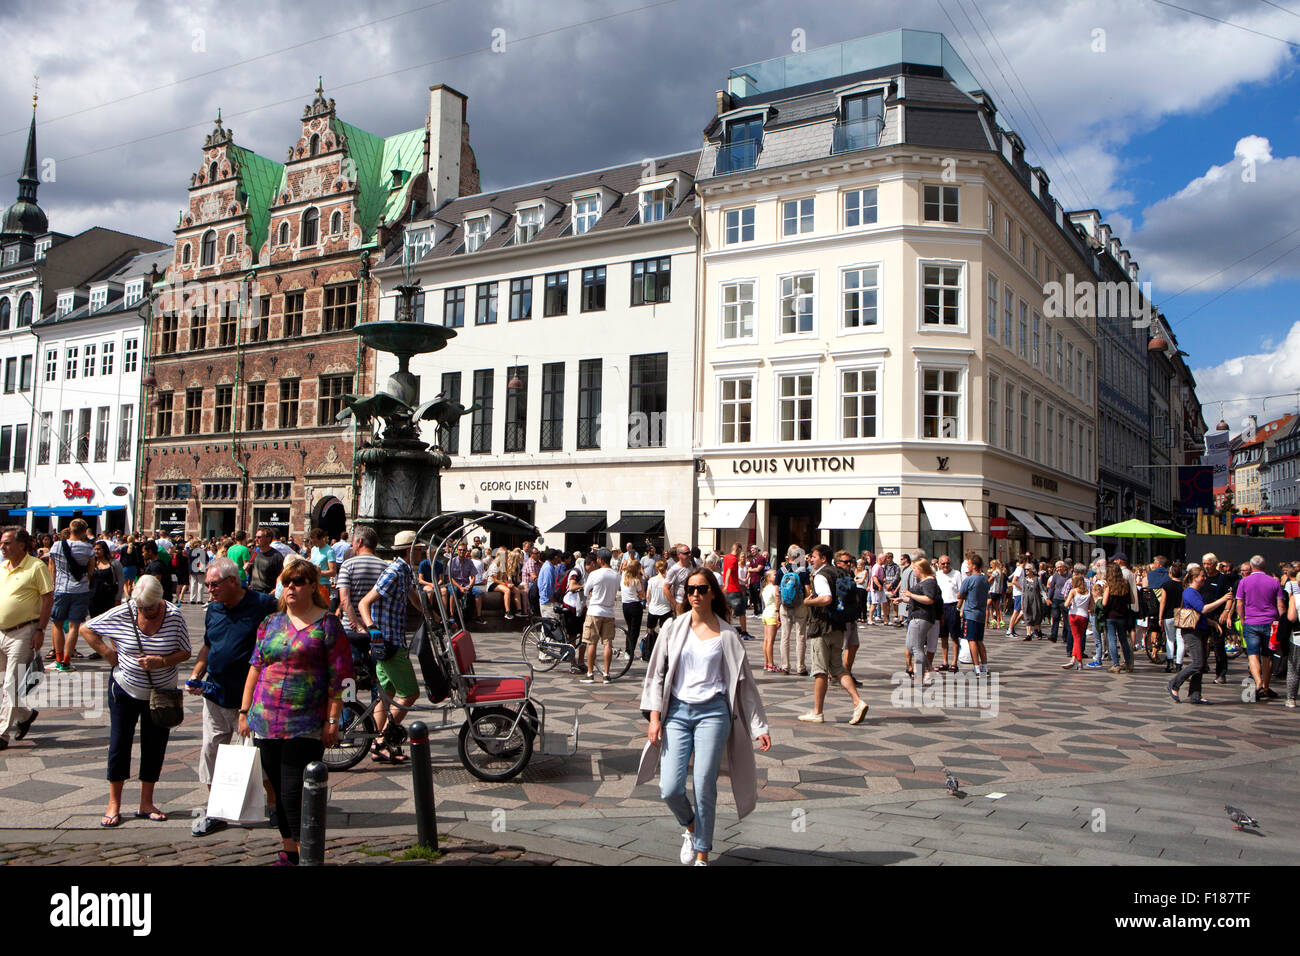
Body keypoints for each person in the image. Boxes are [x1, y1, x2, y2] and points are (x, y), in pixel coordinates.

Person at [638, 567, 770, 866]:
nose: (695, 594)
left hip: (713, 712)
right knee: (669, 788)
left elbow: (745, 683)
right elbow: (656, 675)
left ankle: (702, 855)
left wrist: (759, 725)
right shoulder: (673, 627)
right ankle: (691, 826)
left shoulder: (728, 634)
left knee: (704, 784)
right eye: (690, 589)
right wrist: (655, 718)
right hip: (678, 712)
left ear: (713, 593)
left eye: (701, 589)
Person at [238, 562, 350, 865]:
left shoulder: (327, 624)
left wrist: (333, 719)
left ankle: (307, 852)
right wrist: (244, 710)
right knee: (275, 789)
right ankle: (289, 849)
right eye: (287, 581)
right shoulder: (270, 622)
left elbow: (341, 678)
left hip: (305, 722)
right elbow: (255, 668)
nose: (291, 587)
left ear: (313, 586)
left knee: (293, 791)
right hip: (265, 718)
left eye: (298, 582)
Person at [80, 576, 192, 827]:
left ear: (161, 599)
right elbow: (86, 628)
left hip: (160, 693)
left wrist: (161, 661)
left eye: (151, 609)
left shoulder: (174, 616)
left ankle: (146, 802)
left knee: (154, 746)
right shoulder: (123, 612)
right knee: (119, 744)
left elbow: (185, 651)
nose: (146, 613)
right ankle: (114, 804)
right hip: (124, 688)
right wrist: (109, 653)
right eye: (142, 608)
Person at [188, 557, 279, 836]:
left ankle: (275, 806)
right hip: (216, 693)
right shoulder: (213, 610)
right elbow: (208, 645)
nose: (209, 589)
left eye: (214, 584)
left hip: (251, 696)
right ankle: (216, 810)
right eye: (207, 584)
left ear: (232, 582)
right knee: (211, 751)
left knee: (258, 756)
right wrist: (196, 674)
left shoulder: (263, 604)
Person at [357, 531, 424, 763]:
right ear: (408, 550)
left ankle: (377, 743)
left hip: (391, 641)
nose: (422, 552)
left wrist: (429, 613)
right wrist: (372, 629)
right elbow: (365, 602)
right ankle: (383, 740)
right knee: (410, 693)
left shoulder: (404, 571)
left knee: (386, 695)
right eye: (418, 548)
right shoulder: (394, 571)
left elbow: (412, 595)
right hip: (388, 643)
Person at [799, 544, 869, 725]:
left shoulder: (822, 575)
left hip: (822, 628)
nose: (811, 559)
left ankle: (817, 712)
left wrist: (808, 601)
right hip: (838, 626)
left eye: (813, 556)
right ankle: (857, 701)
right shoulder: (839, 573)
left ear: (823, 558)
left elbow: (826, 598)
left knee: (820, 670)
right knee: (838, 668)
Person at [0, 527, 53, 750]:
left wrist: (40, 630)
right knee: (4, 683)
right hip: (1, 631)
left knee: (11, 682)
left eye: (7, 543)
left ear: (22, 545)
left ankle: (2, 733)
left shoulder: (36, 567)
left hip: (24, 632)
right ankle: (25, 715)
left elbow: (48, 598)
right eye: (2, 543)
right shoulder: (3, 567)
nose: (3, 547)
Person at [1168, 564, 1229, 705]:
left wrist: (1212, 623)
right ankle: (1174, 683)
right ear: (1195, 578)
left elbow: (1197, 615)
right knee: (1198, 662)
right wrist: (1223, 599)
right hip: (1191, 632)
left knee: (1200, 664)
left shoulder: (1196, 592)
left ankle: (1195, 694)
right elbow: (1202, 609)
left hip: (1199, 629)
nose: (1205, 578)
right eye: (1202, 576)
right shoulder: (1190, 592)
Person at [48, 518, 95, 672]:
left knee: (57, 623)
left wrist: (52, 586)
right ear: (84, 532)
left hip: (61, 588)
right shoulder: (88, 548)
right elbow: (90, 570)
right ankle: (67, 661)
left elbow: (52, 567)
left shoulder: (57, 545)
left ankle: (58, 658)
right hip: (80, 590)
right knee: (74, 626)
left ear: (70, 528)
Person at [1236, 555, 1285, 702]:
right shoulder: (1274, 582)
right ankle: (1265, 685)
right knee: (1267, 655)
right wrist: (1282, 623)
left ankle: (1258, 683)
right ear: (1265, 566)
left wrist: (1243, 619)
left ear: (1251, 567)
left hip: (1251, 622)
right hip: (1270, 622)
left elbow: (1239, 604)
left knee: (1252, 654)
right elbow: (1281, 605)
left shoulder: (1244, 582)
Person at [580, 549, 620, 683]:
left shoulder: (595, 574)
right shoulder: (616, 575)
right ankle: (606, 674)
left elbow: (586, 591)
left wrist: (593, 592)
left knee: (592, 642)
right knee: (608, 643)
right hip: (609, 611)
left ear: (601, 560)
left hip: (595, 610)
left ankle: (590, 673)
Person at [902, 558, 941, 686]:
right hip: (916, 616)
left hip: (921, 617)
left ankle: (921, 675)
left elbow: (929, 599)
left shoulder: (929, 581)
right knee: (910, 646)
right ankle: (929, 669)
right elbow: (920, 599)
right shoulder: (925, 581)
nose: (913, 572)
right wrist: (904, 599)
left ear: (920, 569)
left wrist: (911, 595)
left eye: (914, 569)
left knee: (916, 647)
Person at [777, 547, 809, 676]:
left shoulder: (781, 571)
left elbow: (776, 592)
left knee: (785, 636)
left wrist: (776, 608)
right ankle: (800, 667)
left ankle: (785, 666)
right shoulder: (803, 572)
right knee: (800, 636)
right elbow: (807, 591)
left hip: (784, 606)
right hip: (800, 605)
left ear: (788, 556)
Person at [957, 554, 990, 675]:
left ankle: (976, 667)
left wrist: (966, 596)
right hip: (981, 613)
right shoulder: (984, 579)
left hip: (970, 613)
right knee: (979, 640)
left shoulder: (969, 579)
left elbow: (959, 595)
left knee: (971, 640)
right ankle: (984, 665)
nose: (968, 566)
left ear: (974, 566)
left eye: (969, 564)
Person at [1101, 563, 1134, 673]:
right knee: (1123, 640)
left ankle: (1116, 664)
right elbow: (1131, 600)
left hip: (1111, 616)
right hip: (1123, 615)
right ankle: (1128, 663)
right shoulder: (1125, 584)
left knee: (1112, 639)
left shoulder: (1109, 585)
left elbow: (1104, 603)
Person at [935, 554, 962, 672]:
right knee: (943, 636)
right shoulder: (937, 575)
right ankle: (945, 662)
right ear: (939, 564)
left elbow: (961, 593)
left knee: (955, 636)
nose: (945, 565)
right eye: (943, 563)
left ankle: (954, 663)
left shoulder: (957, 574)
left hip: (953, 606)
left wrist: (958, 608)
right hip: (941, 607)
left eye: (947, 563)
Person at [1157, 561, 1185, 674]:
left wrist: (1160, 616)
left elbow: (1163, 601)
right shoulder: (1184, 585)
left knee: (1169, 639)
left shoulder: (1166, 585)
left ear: (1170, 573)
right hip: (1180, 613)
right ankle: (1179, 664)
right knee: (1180, 639)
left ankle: (1169, 663)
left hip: (1168, 614)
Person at [1062, 571, 1092, 671]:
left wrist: (1070, 602)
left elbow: (1066, 604)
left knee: (1077, 638)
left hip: (1074, 615)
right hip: (1084, 616)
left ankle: (1079, 661)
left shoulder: (1073, 591)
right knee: (1078, 637)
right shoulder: (1088, 592)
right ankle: (1073, 659)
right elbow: (1091, 606)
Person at [643, 558, 672, 660]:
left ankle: (649, 651)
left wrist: (649, 604)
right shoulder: (668, 581)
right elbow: (670, 594)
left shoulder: (652, 580)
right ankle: (663, 652)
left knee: (650, 631)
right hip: (666, 608)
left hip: (653, 609)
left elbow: (648, 595)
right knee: (664, 632)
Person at [720, 542, 750, 640]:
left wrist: (725, 586)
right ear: (738, 549)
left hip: (728, 589)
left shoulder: (727, 557)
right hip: (734, 589)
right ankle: (744, 632)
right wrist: (727, 585)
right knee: (742, 612)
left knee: (728, 611)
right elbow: (728, 572)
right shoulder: (733, 559)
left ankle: (727, 630)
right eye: (740, 551)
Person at [89, 540, 125, 620]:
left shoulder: (114, 563)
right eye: (94, 549)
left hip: (109, 597)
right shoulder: (92, 563)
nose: (96, 551)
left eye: (98, 549)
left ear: (104, 550)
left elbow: (121, 580)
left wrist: (118, 598)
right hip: (94, 597)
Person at [621, 558, 646, 660]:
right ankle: (629, 651)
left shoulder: (623, 577)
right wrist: (641, 580)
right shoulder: (636, 581)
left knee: (629, 629)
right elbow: (642, 595)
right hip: (635, 606)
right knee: (635, 631)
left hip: (625, 605)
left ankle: (628, 651)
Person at [308, 528, 338, 607]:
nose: (314, 544)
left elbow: (333, 572)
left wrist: (318, 572)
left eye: (315, 541)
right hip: (311, 583)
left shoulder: (329, 551)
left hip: (323, 584)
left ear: (321, 538)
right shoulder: (314, 549)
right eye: (312, 542)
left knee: (321, 609)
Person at [759, 568, 781, 672]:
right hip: (772, 614)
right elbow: (777, 600)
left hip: (765, 613)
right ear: (768, 577)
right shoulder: (773, 588)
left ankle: (766, 663)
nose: (776, 576)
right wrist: (778, 613)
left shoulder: (765, 588)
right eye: (774, 575)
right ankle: (771, 664)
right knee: (770, 641)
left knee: (766, 640)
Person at [663, 543, 694, 615]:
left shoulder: (692, 565)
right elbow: (665, 589)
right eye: (686, 553)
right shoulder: (674, 569)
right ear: (679, 555)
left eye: (690, 552)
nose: (689, 555)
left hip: (692, 602)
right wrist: (675, 605)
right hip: (680, 602)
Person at [1046, 561, 1072, 644]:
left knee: (1066, 619)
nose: (1059, 569)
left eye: (1060, 567)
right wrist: (1049, 597)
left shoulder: (1069, 575)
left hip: (1066, 599)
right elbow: (1051, 587)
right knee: (1056, 617)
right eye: (1057, 567)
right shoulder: (1055, 576)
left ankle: (1065, 636)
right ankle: (1054, 635)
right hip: (1056, 599)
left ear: (1064, 567)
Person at [987, 560, 1006, 628]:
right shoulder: (1000, 572)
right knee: (997, 608)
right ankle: (998, 623)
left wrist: (986, 583)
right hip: (999, 591)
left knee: (988, 606)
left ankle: (990, 621)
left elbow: (990, 579)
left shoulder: (995, 572)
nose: (991, 566)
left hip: (993, 591)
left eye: (991, 564)